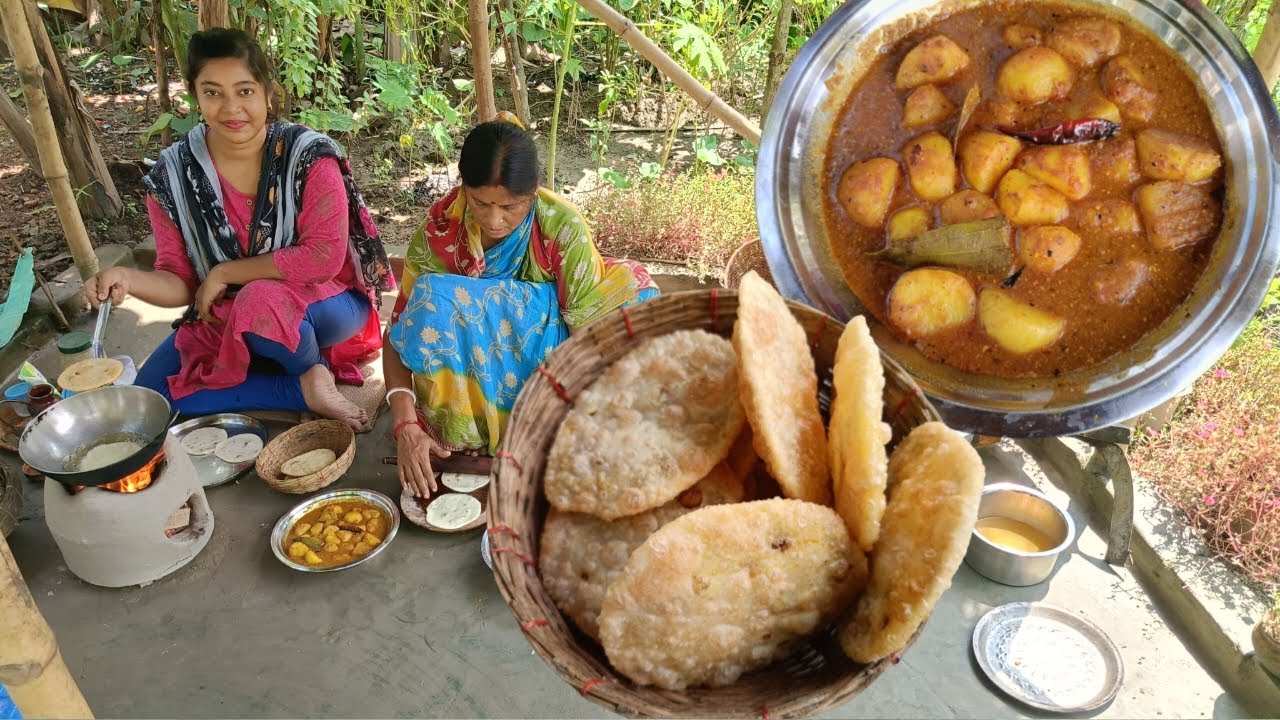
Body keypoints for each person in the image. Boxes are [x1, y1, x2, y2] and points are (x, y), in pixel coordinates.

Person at [84, 28, 394, 431]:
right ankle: (301, 388)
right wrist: (127, 278)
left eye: (245, 91)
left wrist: (225, 272)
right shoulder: (174, 176)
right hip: (228, 312)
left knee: (258, 299)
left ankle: (308, 363)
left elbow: (323, 258)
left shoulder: (308, 157)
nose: (232, 108)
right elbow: (182, 283)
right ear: (195, 97)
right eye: (213, 92)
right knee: (152, 394)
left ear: (267, 93)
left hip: (328, 303)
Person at [385, 115, 658, 498]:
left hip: (544, 351)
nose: (494, 220)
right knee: (434, 299)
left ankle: (527, 423)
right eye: (480, 203)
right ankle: (469, 427)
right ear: (464, 187)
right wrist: (405, 424)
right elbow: (398, 332)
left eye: (510, 207)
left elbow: (585, 338)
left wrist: (582, 423)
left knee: (636, 301)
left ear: (533, 192)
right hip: (470, 362)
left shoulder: (561, 227)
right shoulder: (441, 233)